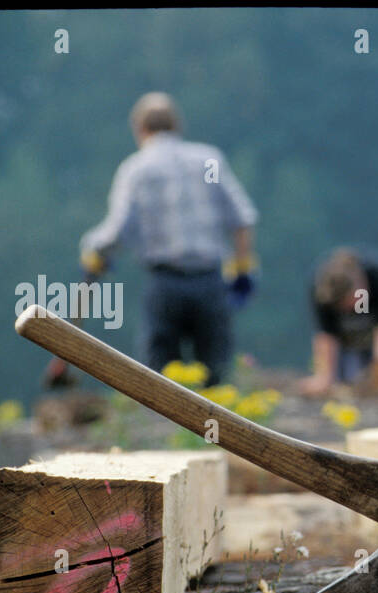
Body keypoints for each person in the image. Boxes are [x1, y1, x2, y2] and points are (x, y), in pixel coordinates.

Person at [63, 92, 258, 388]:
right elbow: (242, 219)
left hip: (166, 284)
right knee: (216, 372)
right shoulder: (209, 159)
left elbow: (116, 231)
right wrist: (242, 269)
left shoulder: (137, 168)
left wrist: (93, 252)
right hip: (210, 281)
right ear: (177, 125)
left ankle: (169, 430)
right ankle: (219, 431)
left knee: (159, 378)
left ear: (139, 129)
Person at [300, 246, 378, 396]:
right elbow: (326, 335)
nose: (348, 309)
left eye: (349, 302)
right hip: (344, 338)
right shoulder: (321, 287)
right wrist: (324, 377)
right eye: (340, 305)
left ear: (360, 285)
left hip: (372, 331)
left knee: (374, 378)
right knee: (346, 379)